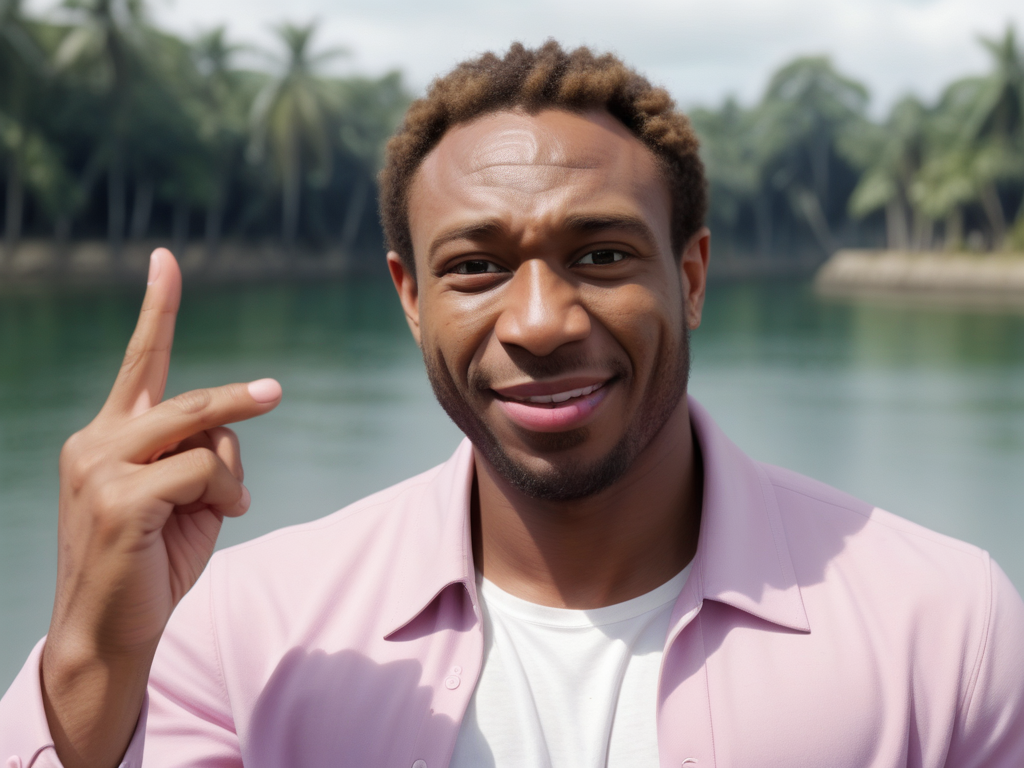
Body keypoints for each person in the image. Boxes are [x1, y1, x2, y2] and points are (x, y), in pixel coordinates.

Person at [2, 41, 1023, 768]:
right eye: (477, 266)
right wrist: (93, 657)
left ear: (694, 276)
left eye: (603, 254)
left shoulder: (940, 628)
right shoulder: (245, 633)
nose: (538, 321)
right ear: (409, 298)